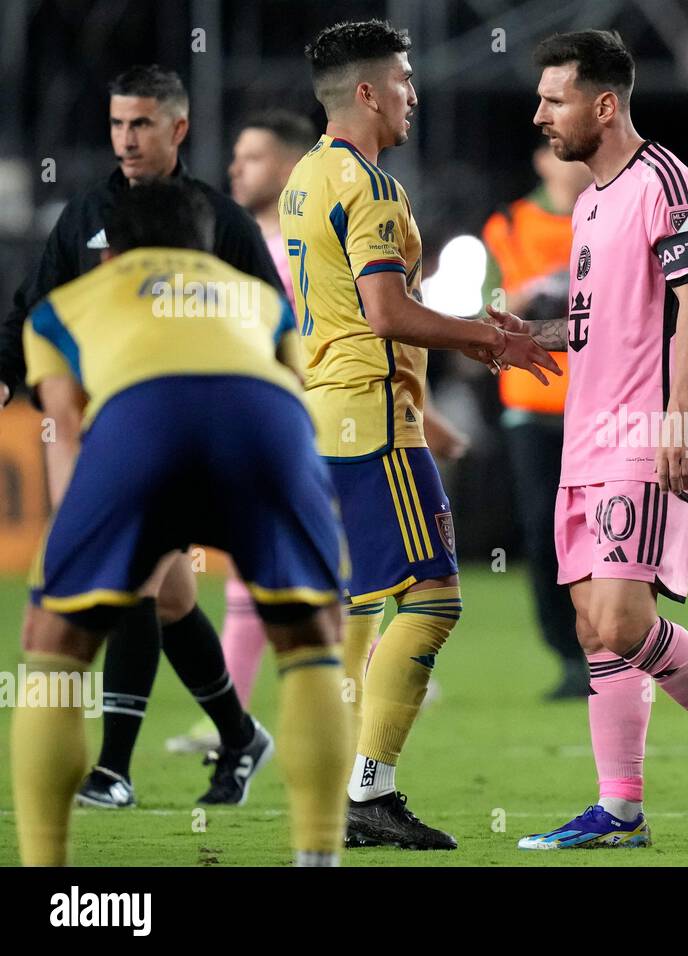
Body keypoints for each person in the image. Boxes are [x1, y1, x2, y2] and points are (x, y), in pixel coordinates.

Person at [498, 30, 688, 849]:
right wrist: (530, 335)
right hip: (584, 435)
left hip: (642, 431)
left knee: (624, 620)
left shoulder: (667, 183)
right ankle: (620, 809)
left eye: (554, 100)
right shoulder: (590, 201)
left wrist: (681, 417)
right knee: (594, 628)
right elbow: (603, 324)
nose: (540, 115)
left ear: (604, 103)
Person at [12, 179, 350, 866]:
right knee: (311, 636)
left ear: (111, 252)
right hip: (269, 430)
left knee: (53, 641)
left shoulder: (62, 308)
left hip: (141, 427)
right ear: (206, 245)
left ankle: (47, 867)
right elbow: (297, 392)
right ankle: (319, 854)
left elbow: (67, 428)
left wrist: (69, 563)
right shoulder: (257, 298)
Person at [284, 19, 559, 850]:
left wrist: (471, 334)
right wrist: (489, 338)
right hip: (371, 415)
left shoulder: (308, 176)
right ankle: (366, 791)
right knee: (433, 600)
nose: (415, 93)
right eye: (403, 79)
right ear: (366, 92)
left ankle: (345, 784)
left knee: (370, 607)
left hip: (336, 411)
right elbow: (386, 311)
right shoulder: (368, 188)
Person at [0, 64, 281, 808]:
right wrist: (6, 374)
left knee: (137, 577)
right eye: (118, 123)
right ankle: (240, 735)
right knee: (167, 597)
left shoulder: (221, 223)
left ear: (178, 128)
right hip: (117, 428)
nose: (127, 138)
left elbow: (275, 324)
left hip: (200, 433)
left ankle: (115, 769)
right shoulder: (86, 213)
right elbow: (35, 306)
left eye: (143, 123)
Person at [167, 109, 318, 755]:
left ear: (285, 167)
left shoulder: (312, 246)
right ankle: (231, 721)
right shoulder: (226, 246)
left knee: (324, 569)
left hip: (316, 419)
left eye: (250, 158)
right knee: (259, 568)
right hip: (256, 422)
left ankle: (379, 683)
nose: (234, 170)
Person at [481, 141, 592, 699]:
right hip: (532, 406)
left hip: (598, 404)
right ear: (541, 161)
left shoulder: (610, 217)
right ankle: (568, 655)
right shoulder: (508, 225)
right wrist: (527, 296)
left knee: (603, 535)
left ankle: (614, 649)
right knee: (545, 535)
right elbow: (487, 315)